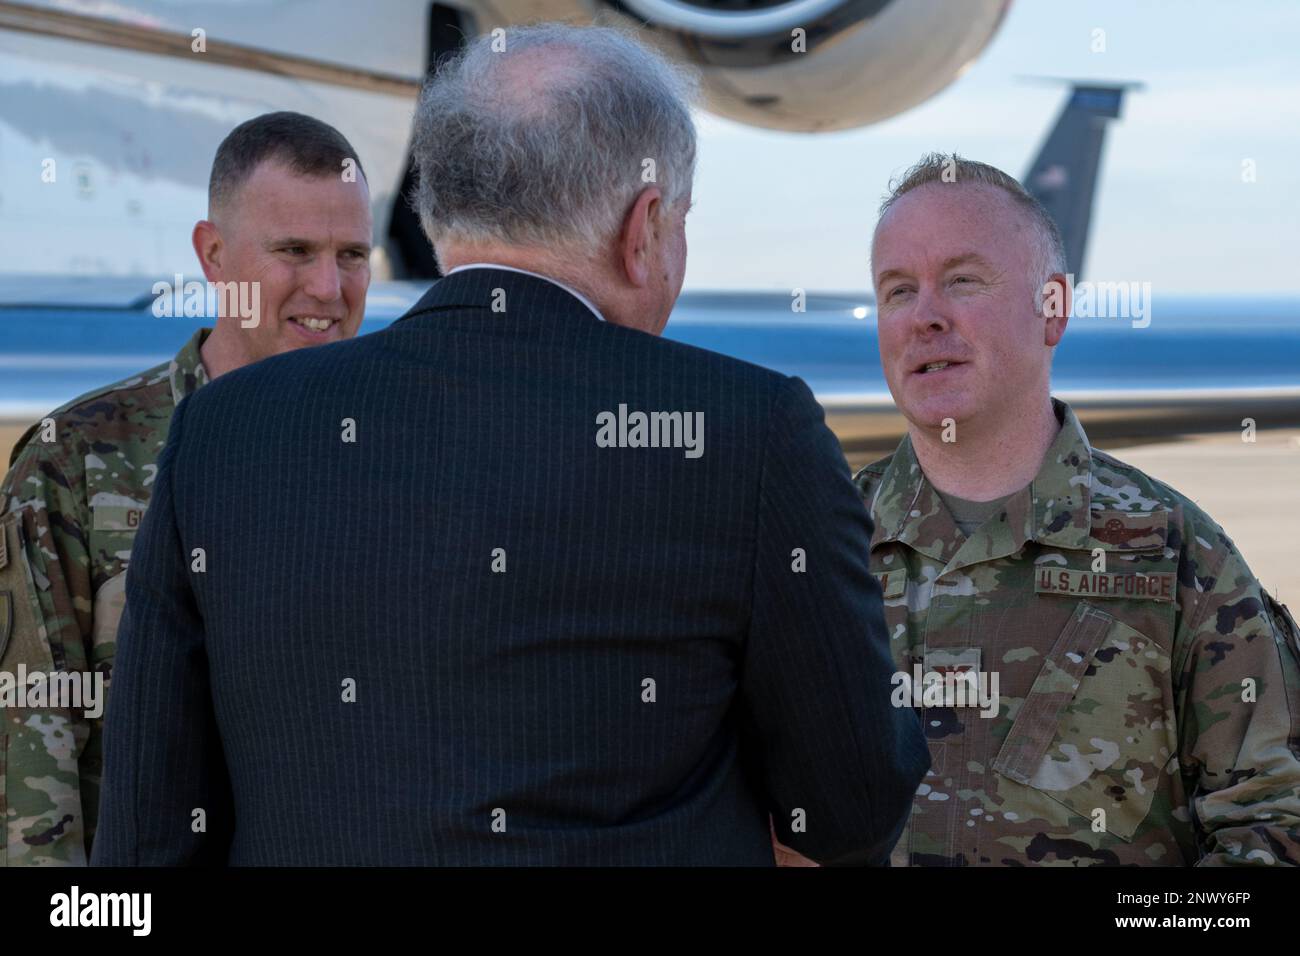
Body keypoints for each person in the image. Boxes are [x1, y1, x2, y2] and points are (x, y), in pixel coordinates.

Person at [90, 23, 928, 867]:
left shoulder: (222, 429)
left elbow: (143, 842)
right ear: (642, 230)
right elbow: (848, 809)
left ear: (440, 205)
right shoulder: (752, 431)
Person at [820, 153, 1299, 866]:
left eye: (961, 281)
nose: (924, 316)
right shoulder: (818, 549)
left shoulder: (1175, 556)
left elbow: (1274, 827)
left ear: (1052, 311)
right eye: (897, 291)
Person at [0, 111, 373, 866]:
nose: (328, 288)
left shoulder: (405, 450)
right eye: (294, 251)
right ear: (212, 255)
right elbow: (28, 766)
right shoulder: (73, 462)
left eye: (353, 254)